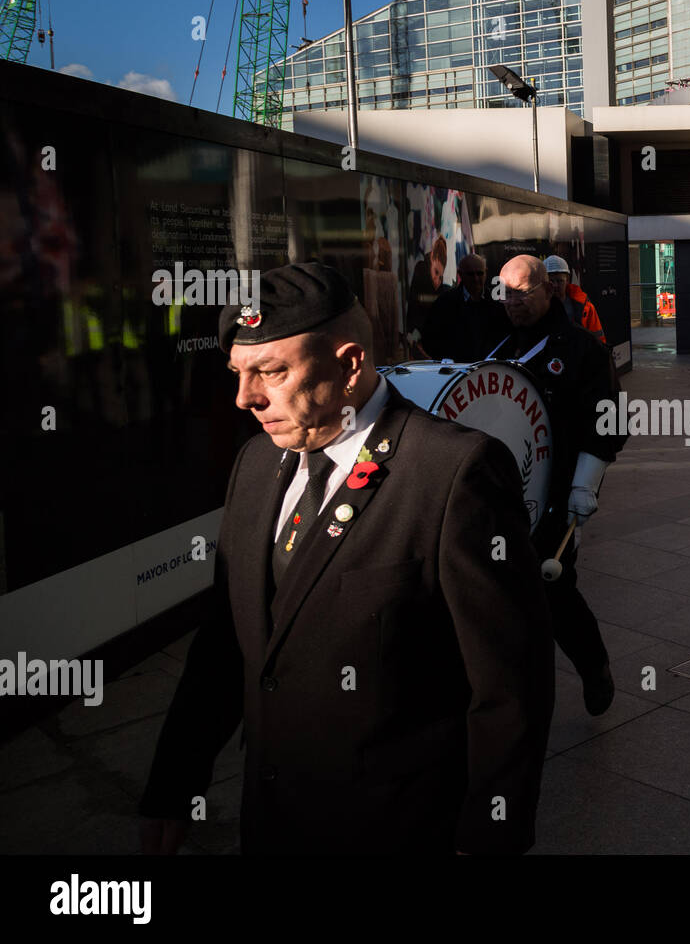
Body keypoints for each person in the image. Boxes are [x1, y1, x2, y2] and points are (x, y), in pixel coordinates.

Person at [139, 263, 554, 854]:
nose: (244, 398)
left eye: (271, 372)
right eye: (237, 373)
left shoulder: (452, 472)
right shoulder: (256, 465)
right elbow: (227, 641)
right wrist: (175, 781)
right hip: (272, 820)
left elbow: (511, 680)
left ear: (351, 362)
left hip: (396, 827)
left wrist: (489, 834)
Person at [494, 255, 626, 715]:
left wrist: (584, 487)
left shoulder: (583, 349)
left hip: (556, 491)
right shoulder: (496, 343)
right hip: (496, 492)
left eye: (522, 293)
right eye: (505, 292)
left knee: (553, 588)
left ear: (548, 290)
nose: (512, 302)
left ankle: (594, 666)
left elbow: (608, 422)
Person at [423, 253, 508, 361]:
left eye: (479, 273)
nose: (476, 279)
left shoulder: (497, 304)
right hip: (458, 371)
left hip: (489, 371)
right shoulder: (445, 303)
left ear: (486, 272)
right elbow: (430, 338)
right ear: (460, 274)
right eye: (470, 274)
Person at [543, 254, 606, 344]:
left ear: (567, 279)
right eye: (551, 281)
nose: (555, 285)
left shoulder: (585, 306)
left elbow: (598, 339)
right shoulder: (537, 307)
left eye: (560, 281)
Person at [406, 236, 450, 359]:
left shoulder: (440, 287)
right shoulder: (421, 271)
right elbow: (414, 305)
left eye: (440, 277)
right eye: (436, 273)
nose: (437, 281)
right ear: (432, 259)